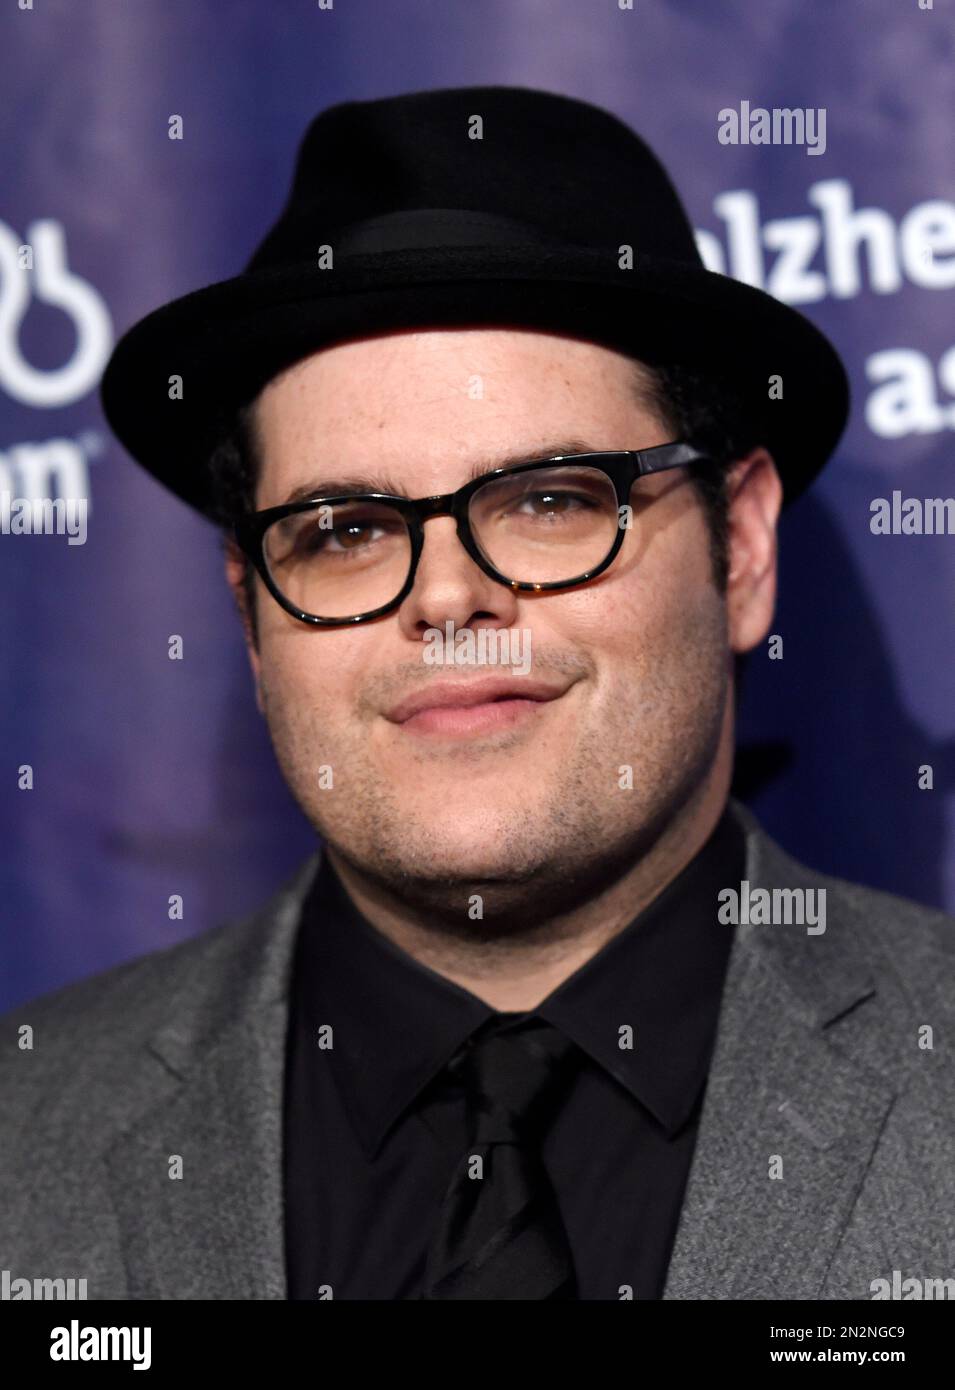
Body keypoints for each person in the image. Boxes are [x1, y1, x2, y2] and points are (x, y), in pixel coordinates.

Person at [2, 85, 952, 1302]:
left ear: (744, 549)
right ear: (249, 610)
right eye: (343, 528)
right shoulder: (22, 1146)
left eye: (552, 500)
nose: (446, 597)